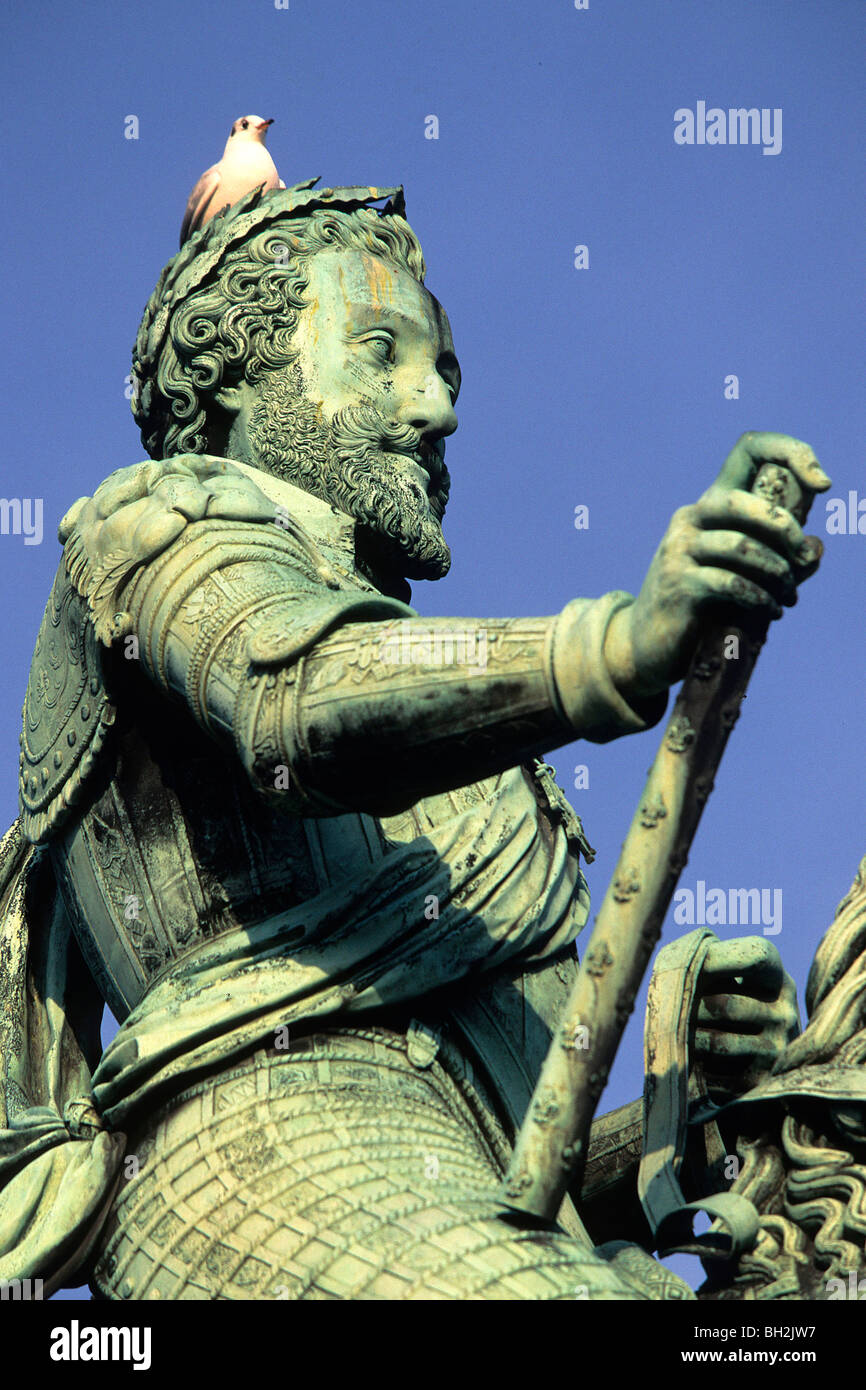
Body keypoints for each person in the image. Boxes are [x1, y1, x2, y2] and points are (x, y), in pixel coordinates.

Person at [0, 181, 826, 1300]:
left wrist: (693, 1098)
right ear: (234, 373)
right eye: (380, 352)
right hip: (257, 1164)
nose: (434, 407)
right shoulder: (153, 527)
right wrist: (617, 650)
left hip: (442, 1198)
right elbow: (291, 697)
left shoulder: (466, 745)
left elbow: (512, 1173)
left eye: (442, 373)